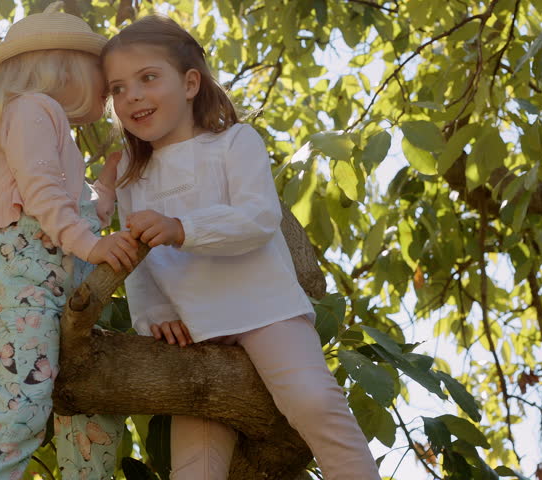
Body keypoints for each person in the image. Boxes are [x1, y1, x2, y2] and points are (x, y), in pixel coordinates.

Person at [102, 14, 381, 480]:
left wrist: (180, 227)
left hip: (264, 309)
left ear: (190, 83)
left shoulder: (234, 142)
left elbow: (257, 218)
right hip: (191, 330)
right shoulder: (133, 172)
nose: (131, 95)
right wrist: (153, 316)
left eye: (148, 78)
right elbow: (139, 261)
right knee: (193, 465)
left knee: (316, 403)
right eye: (117, 88)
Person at [0, 3, 137, 479]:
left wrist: (106, 188)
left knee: (95, 410)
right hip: (23, 286)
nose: (111, 90)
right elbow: (44, 197)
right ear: (66, 69)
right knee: (23, 411)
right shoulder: (34, 108)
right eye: (105, 76)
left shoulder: (47, 123)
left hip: (58, 295)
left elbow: (71, 205)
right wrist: (92, 247)